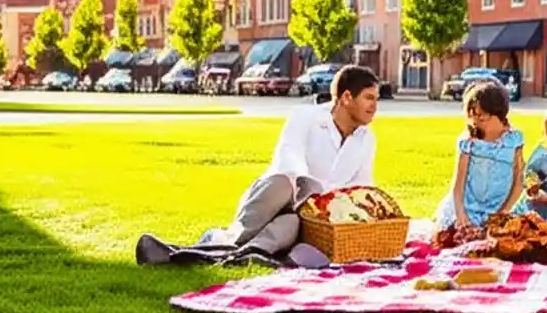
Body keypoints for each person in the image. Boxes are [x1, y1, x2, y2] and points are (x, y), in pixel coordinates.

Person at [135, 64, 382, 266]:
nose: (374, 106)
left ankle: (242, 256)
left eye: (376, 99)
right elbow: (289, 156)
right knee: (283, 182)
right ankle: (228, 244)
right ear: (347, 98)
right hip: (274, 197)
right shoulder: (305, 117)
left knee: (294, 222)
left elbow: (362, 187)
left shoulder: (366, 139)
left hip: (310, 220)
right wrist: (309, 193)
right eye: (369, 98)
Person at [432, 81, 525, 242]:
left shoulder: (514, 140)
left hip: (501, 207)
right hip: (470, 206)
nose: (476, 121)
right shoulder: (469, 141)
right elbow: (458, 182)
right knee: (453, 237)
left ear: (499, 113)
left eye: (482, 117)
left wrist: (504, 211)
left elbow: (519, 180)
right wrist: (461, 214)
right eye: (472, 115)